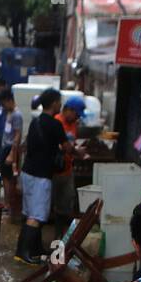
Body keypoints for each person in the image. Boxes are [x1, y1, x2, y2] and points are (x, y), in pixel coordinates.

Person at [16, 88, 76, 265]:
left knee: (29, 212)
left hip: (27, 172)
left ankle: (35, 248)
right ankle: (22, 252)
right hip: (41, 175)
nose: (60, 104)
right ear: (54, 103)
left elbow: (26, 145)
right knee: (37, 215)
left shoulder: (35, 122)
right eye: (59, 101)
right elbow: (67, 147)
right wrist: (75, 150)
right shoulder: (55, 124)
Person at [51, 95, 86, 233]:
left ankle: (59, 237)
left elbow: (71, 144)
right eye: (76, 114)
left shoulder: (73, 125)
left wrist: (76, 150)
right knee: (50, 205)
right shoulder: (56, 122)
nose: (77, 118)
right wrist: (75, 151)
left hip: (67, 169)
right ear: (68, 110)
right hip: (54, 171)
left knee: (65, 206)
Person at [0, 87, 23, 222]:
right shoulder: (9, 113)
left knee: (9, 178)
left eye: (3, 103)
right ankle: (7, 203)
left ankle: (9, 204)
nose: (3, 106)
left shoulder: (17, 114)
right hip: (5, 146)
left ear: (9, 100)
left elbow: (17, 135)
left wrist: (12, 154)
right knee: (5, 177)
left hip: (10, 148)